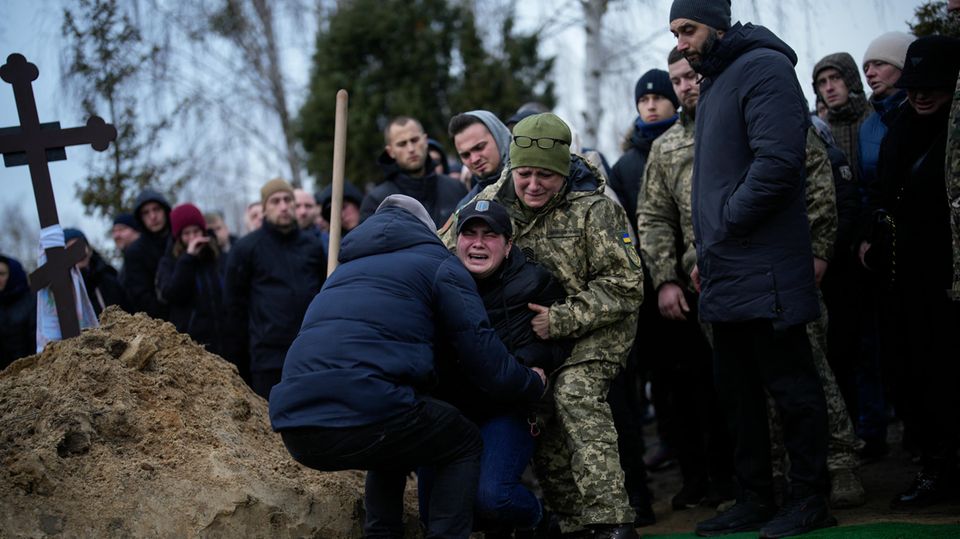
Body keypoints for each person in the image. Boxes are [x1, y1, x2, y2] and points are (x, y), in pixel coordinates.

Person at [269, 195, 546, 539]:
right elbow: (487, 359)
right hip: (371, 408)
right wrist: (532, 383)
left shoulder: (343, 271)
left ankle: (381, 533)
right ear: (429, 231)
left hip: (295, 426)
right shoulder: (439, 264)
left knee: (392, 436)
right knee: (460, 440)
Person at [669, 1, 834, 536]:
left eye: (688, 30)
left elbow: (778, 163)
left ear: (717, 25)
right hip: (726, 268)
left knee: (792, 389)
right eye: (675, 33)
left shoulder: (764, 68)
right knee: (737, 394)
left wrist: (725, 221)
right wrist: (710, 252)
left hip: (767, 267)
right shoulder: (716, 80)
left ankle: (809, 498)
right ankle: (755, 497)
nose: (680, 44)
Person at [444, 113, 644, 538]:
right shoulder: (495, 200)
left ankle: (611, 520)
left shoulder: (595, 210)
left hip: (595, 327)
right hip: (532, 335)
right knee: (538, 406)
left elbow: (626, 286)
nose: (533, 185)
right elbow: (445, 248)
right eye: (525, 175)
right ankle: (570, 522)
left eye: (545, 176)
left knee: (574, 392)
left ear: (563, 172)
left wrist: (562, 318)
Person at [419, 200, 570, 536]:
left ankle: (538, 519)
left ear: (508, 244)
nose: (478, 243)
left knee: (493, 498)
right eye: (469, 233)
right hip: (450, 411)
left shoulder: (535, 281)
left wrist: (528, 363)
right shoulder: (437, 280)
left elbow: (560, 342)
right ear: (456, 240)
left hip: (508, 407)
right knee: (435, 516)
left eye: (489, 235)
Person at [861, 36, 960, 510]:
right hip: (905, 276)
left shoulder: (951, 132)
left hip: (948, 273)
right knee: (916, 373)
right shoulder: (899, 127)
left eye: (932, 86)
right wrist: (873, 235)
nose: (921, 95)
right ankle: (936, 466)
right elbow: (881, 192)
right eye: (915, 85)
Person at [636, 48, 736, 513]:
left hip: (753, 273)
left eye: (690, 77)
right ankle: (720, 481)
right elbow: (654, 217)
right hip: (694, 288)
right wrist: (664, 280)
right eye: (676, 80)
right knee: (700, 388)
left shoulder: (740, 119)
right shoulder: (665, 147)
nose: (684, 86)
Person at [225, 178, 327, 399]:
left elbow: (323, 292)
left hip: (310, 352)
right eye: (275, 201)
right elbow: (234, 307)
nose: (283, 206)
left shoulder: (312, 246)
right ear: (264, 208)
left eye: (288, 200)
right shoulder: (246, 249)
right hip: (268, 358)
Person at [157, 204, 234, 361]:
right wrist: (188, 258)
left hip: (227, 341)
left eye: (196, 231)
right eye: (187, 233)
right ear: (179, 236)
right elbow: (171, 293)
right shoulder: (169, 263)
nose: (193, 237)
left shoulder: (218, 257)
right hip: (194, 347)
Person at [360, 116, 467, 227]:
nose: (411, 149)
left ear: (425, 141)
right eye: (402, 144)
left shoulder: (456, 188)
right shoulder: (377, 202)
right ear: (390, 151)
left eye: (415, 140)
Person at [609, 68, 679, 232]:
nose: (651, 106)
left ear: (674, 101)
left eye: (658, 98)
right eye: (644, 100)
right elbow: (622, 226)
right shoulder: (622, 167)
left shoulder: (697, 145)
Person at [813, 52, 871, 184]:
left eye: (835, 78)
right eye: (822, 82)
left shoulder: (879, 119)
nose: (829, 88)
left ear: (851, 79)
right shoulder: (818, 133)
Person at [122, 189, 172, 320]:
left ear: (165, 210)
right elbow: (141, 297)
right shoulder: (135, 252)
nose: (153, 216)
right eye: (146, 213)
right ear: (140, 218)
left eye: (157, 209)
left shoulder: (180, 241)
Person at [449, 111, 512, 207]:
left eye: (479, 147)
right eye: (465, 155)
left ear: (499, 138)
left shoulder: (531, 183)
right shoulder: (466, 207)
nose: (474, 159)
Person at [64, 228, 128, 317]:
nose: (78, 253)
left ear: (89, 249)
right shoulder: (63, 292)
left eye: (80, 246)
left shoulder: (108, 279)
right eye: (71, 249)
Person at [0, 254, 36, 370]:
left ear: (14, 275)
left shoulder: (31, 301)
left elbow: (35, 340)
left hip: (28, 371)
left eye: (2, 274)